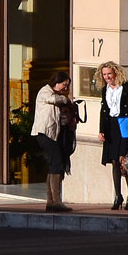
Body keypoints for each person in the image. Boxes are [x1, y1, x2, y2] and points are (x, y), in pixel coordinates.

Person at [96, 61, 128, 210]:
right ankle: (118, 196)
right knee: (115, 162)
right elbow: (104, 110)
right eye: (104, 74)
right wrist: (101, 130)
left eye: (109, 73)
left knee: (125, 162)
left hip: (125, 127)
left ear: (116, 73)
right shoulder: (105, 89)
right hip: (111, 128)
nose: (107, 77)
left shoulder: (127, 86)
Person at [30, 71, 74, 212]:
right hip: (45, 133)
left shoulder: (54, 95)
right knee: (57, 164)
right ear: (57, 82)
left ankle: (51, 201)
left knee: (54, 165)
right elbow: (54, 100)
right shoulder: (45, 91)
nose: (65, 88)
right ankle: (56, 200)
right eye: (64, 85)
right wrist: (66, 100)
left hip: (52, 134)